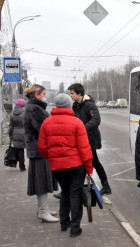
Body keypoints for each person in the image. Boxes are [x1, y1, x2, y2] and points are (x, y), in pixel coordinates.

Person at [38, 93, 93, 238]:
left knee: (65, 192)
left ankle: (64, 223)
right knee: (75, 193)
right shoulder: (76, 122)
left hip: (58, 167)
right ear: (69, 105)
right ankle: (75, 228)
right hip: (76, 166)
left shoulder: (47, 123)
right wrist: (89, 168)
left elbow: (42, 147)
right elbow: (84, 148)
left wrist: (52, 158)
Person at [67, 83, 112, 195]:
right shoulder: (75, 105)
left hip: (90, 139)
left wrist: (82, 129)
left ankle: (105, 186)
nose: (70, 95)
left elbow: (96, 120)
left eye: (72, 93)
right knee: (84, 162)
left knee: (94, 162)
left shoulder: (89, 105)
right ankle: (76, 188)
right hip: (80, 138)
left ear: (79, 94)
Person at [24, 84, 59, 223]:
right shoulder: (35, 109)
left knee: (43, 179)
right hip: (39, 150)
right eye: (43, 93)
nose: (45, 96)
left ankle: (43, 208)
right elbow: (43, 130)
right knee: (41, 180)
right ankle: (43, 211)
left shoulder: (34, 107)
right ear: (37, 95)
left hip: (38, 150)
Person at [9, 98, 26, 171]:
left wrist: (11, 135)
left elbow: (10, 126)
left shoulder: (12, 114)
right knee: (21, 150)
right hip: (23, 133)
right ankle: (22, 167)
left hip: (14, 133)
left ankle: (13, 163)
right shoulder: (25, 113)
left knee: (16, 148)